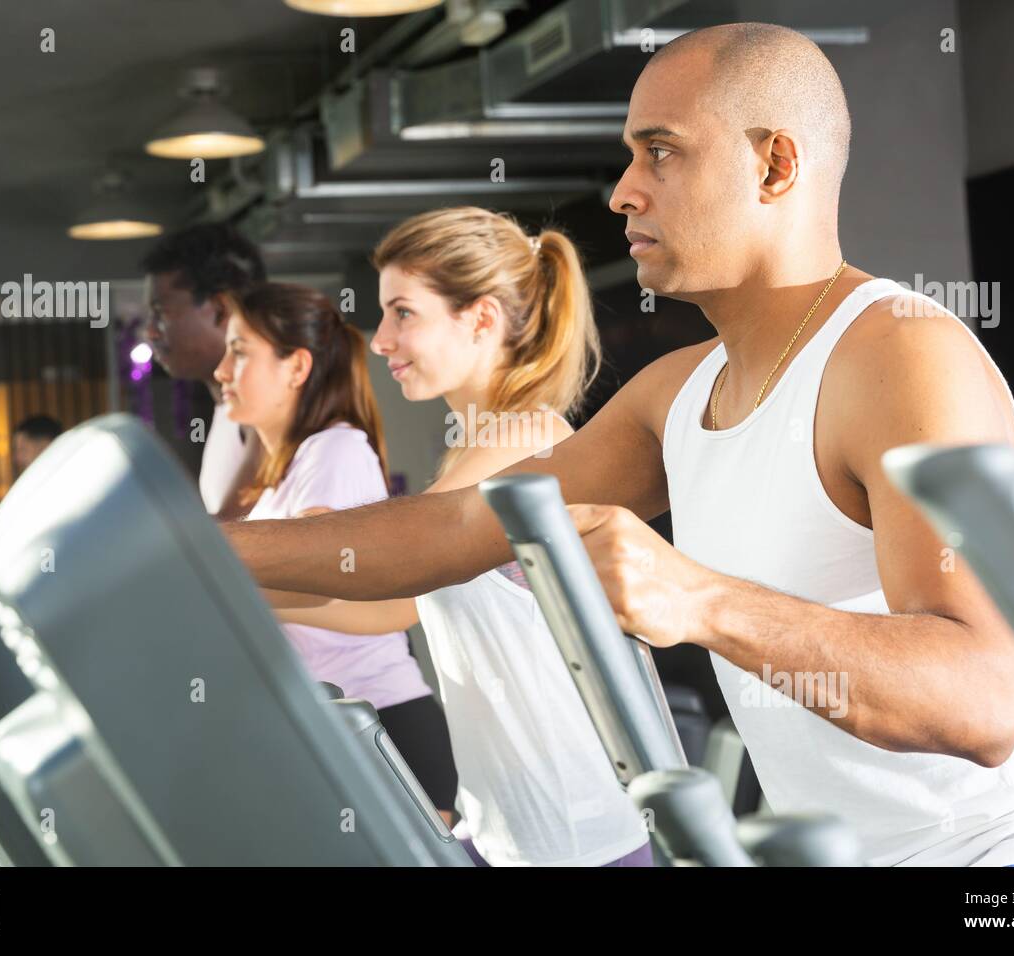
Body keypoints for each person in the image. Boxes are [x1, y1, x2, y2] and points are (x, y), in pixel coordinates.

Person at [222, 24, 1014, 866]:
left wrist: (699, 598)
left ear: (775, 164)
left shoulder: (901, 354)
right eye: (630, 156)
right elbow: (451, 529)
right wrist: (193, 550)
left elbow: (982, 701)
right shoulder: (678, 393)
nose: (624, 190)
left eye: (660, 152)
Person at [273, 207, 653, 867]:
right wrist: (235, 591)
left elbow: (390, 571)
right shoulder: (470, 454)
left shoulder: (525, 441)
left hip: (574, 837)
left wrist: (247, 563)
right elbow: (396, 605)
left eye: (404, 313)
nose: (381, 339)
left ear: (479, 319)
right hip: (506, 831)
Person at [214, 280, 458, 823]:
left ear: (296, 368)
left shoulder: (336, 448)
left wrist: (210, 584)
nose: (221, 372)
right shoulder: (281, 473)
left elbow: (324, 581)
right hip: (331, 723)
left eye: (238, 351)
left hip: (381, 724)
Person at [141, 222, 266, 517]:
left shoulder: (267, 406)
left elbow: (228, 540)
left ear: (221, 309)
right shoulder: (228, 409)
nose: (151, 332)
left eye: (161, 313)